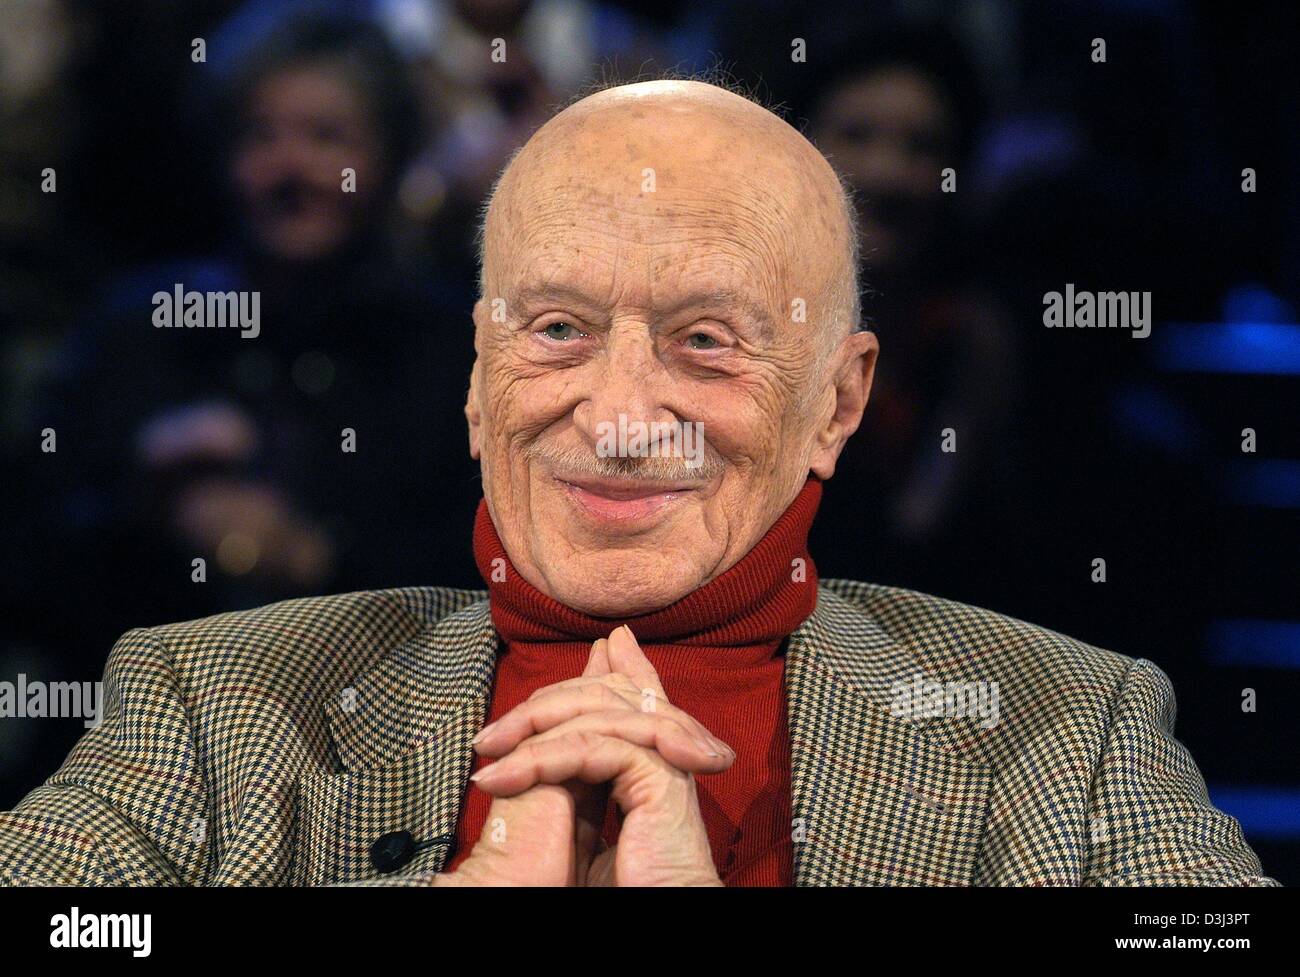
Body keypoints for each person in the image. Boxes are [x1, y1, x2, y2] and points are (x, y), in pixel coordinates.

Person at [0, 79, 1276, 886]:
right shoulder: (212, 701)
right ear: (475, 376)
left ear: (837, 399)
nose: (616, 419)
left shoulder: (1068, 728)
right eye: (555, 329)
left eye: (704, 341)